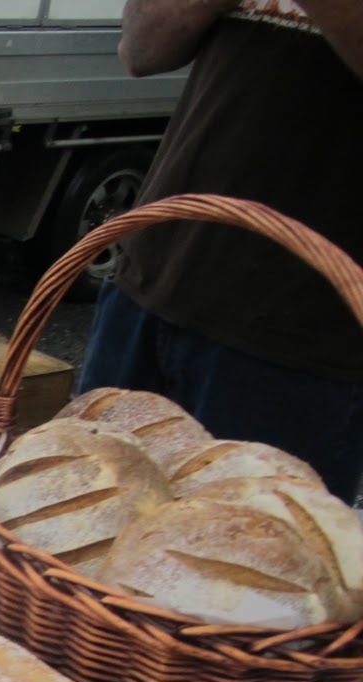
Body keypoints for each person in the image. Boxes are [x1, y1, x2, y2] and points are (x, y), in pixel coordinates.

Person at [77, 0, 363, 503]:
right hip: (151, 279)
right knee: (71, 535)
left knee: (262, 565)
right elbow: (142, 50)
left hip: (299, 337)